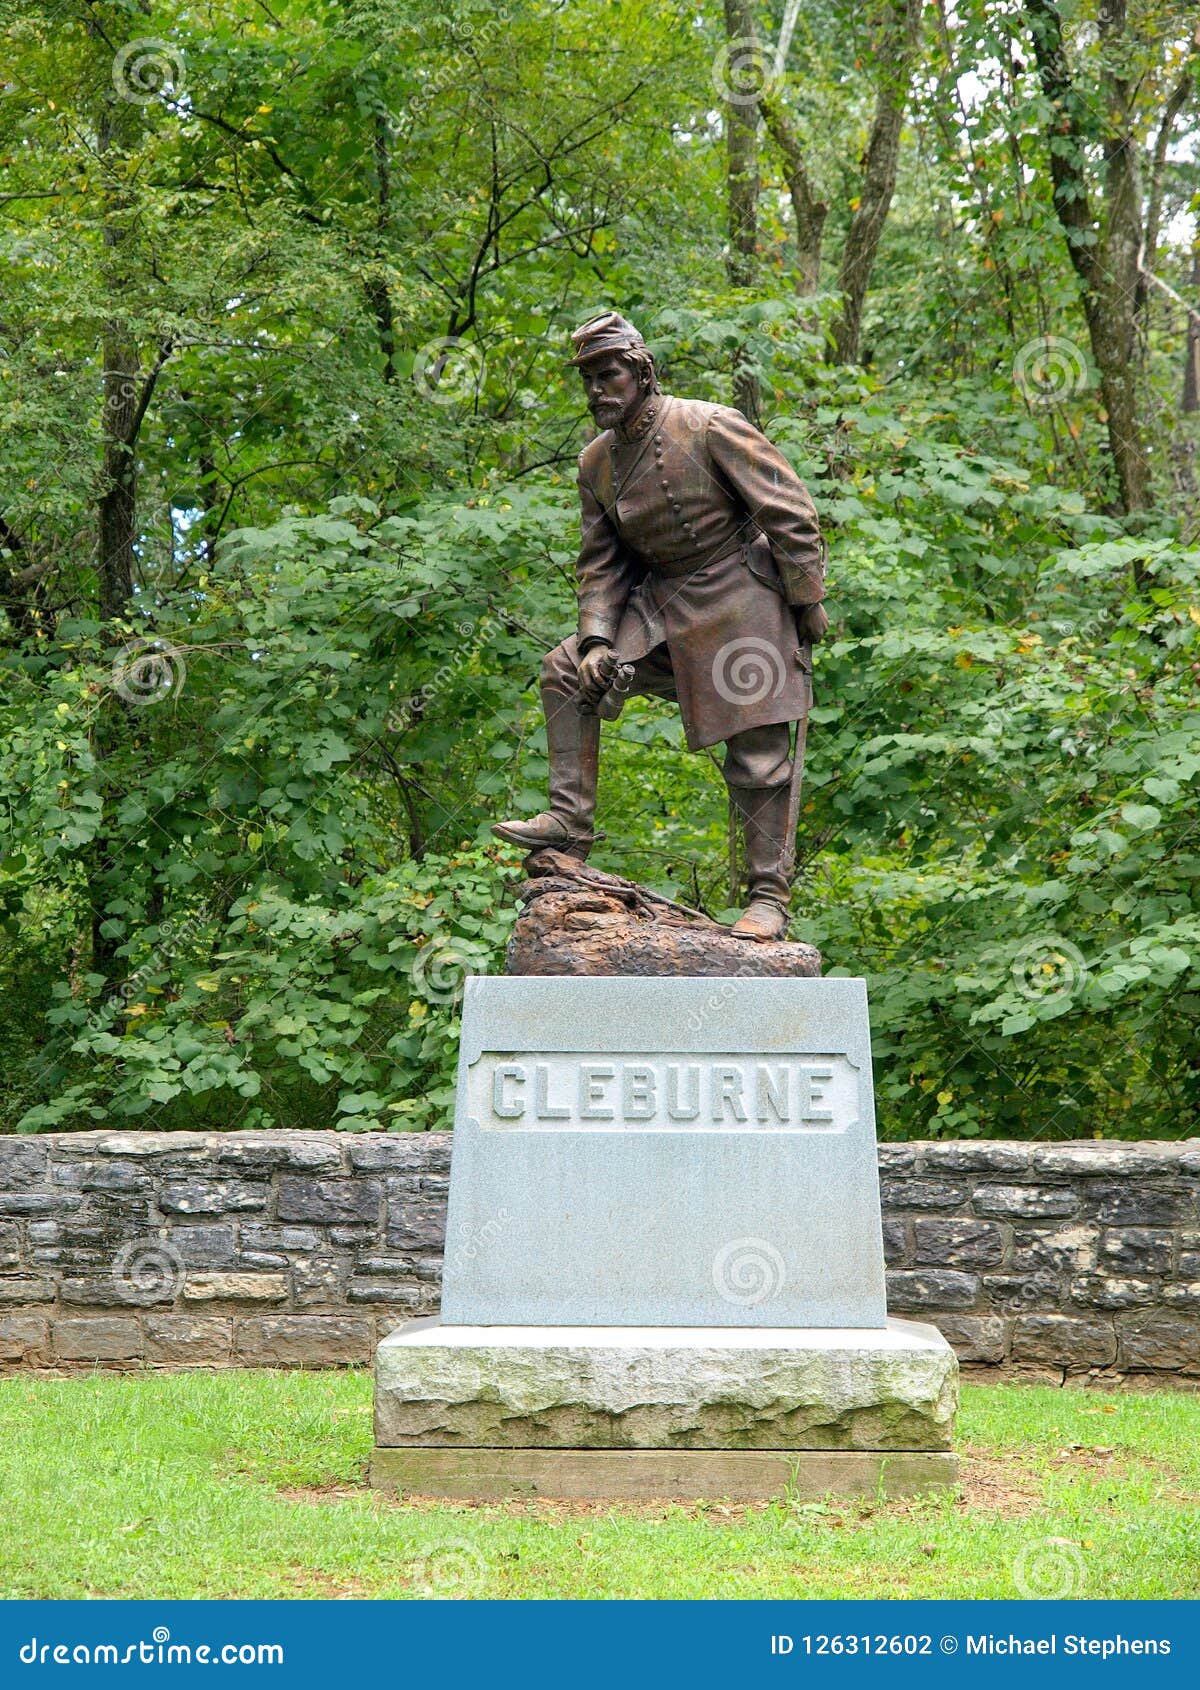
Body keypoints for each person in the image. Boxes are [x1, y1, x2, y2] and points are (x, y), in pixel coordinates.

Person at [494, 312, 828, 939]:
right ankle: (569, 826)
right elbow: (601, 563)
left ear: (642, 372)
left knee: (758, 756)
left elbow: (789, 510)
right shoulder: (596, 462)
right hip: (661, 605)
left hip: (741, 597)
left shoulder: (708, 424)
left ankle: (768, 898)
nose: (597, 389)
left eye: (609, 375)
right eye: (588, 379)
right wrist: (597, 640)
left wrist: (806, 599)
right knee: (565, 669)